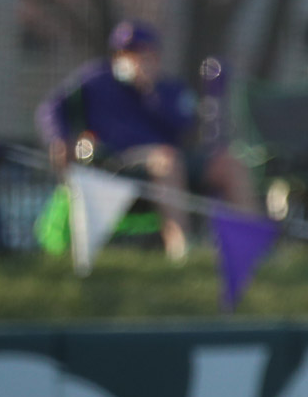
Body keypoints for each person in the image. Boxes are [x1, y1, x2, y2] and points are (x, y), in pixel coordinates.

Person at [36, 20, 254, 260]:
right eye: (128, 53)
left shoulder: (169, 88)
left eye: (143, 53)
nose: (136, 59)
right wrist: (60, 139)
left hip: (173, 159)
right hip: (119, 162)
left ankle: (249, 249)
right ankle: (182, 249)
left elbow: (185, 124)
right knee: (166, 160)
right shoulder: (97, 80)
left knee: (230, 164)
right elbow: (51, 108)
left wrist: (150, 92)